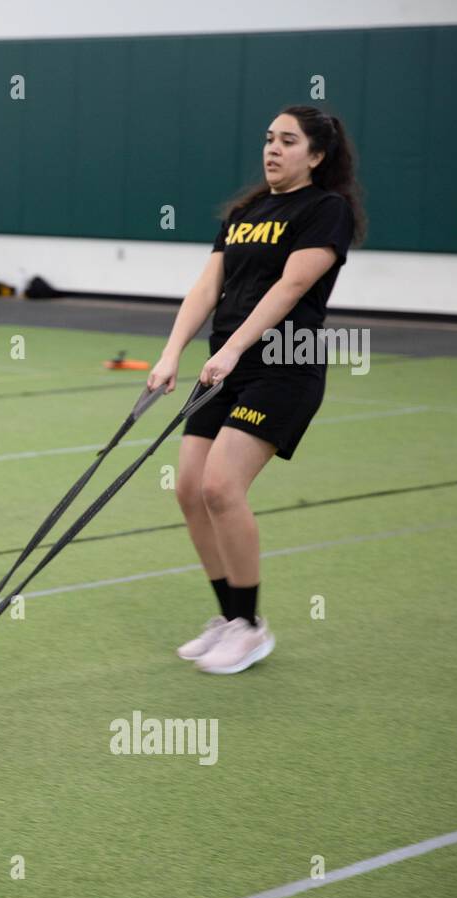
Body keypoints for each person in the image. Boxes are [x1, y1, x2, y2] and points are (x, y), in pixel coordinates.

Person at [146, 105, 365, 674]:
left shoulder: (327, 210)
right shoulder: (245, 212)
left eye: (288, 141)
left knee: (221, 485)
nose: (272, 149)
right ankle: (229, 617)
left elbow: (292, 286)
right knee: (189, 489)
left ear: (316, 155)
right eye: (269, 139)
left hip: (284, 367)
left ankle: (250, 627)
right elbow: (207, 284)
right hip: (227, 362)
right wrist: (172, 351)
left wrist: (235, 347)